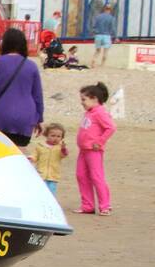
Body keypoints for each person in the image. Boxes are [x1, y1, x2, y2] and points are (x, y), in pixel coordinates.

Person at [0, 27, 43, 148]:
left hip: (0, 117)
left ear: (4, 44)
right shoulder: (32, 66)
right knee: (18, 154)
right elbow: (37, 96)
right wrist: (39, 118)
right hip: (25, 120)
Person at [76, 82, 116, 215]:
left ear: (94, 98)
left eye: (84, 99)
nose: (82, 102)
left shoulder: (99, 112)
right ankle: (88, 205)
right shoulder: (89, 112)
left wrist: (100, 141)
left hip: (93, 151)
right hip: (83, 150)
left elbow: (111, 128)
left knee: (97, 177)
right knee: (81, 175)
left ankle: (105, 206)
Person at [28, 123, 67, 197]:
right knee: (40, 193)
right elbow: (35, 155)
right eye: (53, 136)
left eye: (59, 136)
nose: (55, 138)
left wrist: (63, 149)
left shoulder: (59, 148)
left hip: (53, 176)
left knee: (51, 194)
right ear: (46, 135)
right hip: (41, 175)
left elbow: (63, 155)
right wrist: (31, 158)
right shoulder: (40, 146)